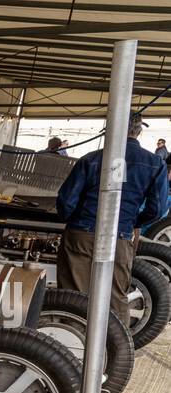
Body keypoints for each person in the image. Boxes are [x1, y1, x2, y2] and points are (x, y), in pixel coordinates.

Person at [56, 112, 170, 328]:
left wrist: (74, 222)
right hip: (121, 236)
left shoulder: (91, 159)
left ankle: (72, 351)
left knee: (74, 298)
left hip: (82, 233)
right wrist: (133, 222)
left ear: (111, 128)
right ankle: (113, 354)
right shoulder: (155, 163)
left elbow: (66, 201)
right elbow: (158, 209)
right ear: (138, 131)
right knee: (116, 298)